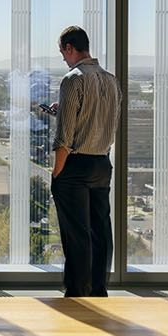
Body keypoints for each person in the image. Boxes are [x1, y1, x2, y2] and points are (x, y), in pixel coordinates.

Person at [47, 25, 119, 297]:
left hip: (75, 166)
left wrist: (57, 173)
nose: (63, 59)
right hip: (101, 163)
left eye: (62, 52)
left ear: (69, 48)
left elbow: (64, 138)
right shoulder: (111, 80)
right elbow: (101, 123)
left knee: (76, 235)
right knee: (100, 231)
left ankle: (77, 294)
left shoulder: (72, 79)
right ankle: (99, 291)